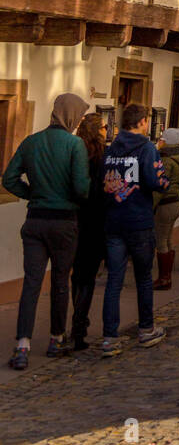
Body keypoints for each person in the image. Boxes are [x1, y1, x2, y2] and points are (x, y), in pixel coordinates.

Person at [4, 93, 90, 369]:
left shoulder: (32, 141)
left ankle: (22, 345)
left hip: (35, 220)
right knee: (60, 282)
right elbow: (80, 188)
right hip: (64, 221)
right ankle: (55, 338)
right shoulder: (75, 144)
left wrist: (32, 194)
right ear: (72, 115)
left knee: (31, 283)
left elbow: (8, 178)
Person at [101, 103, 168, 357]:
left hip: (114, 220)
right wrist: (164, 181)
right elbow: (156, 181)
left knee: (114, 281)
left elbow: (103, 182)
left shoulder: (111, 149)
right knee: (142, 278)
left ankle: (109, 337)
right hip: (139, 220)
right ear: (141, 122)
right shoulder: (147, 148)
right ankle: (146, 329)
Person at [70, 112, 108, 350]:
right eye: (104, 126)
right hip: (96, 220)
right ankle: (79, 325)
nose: (106, 129)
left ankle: (77, 321)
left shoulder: (76, 152)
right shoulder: (103, 156)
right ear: (98, 130)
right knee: (88, 276)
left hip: (75, 217)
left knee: (77, 274)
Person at [153, 128, 179, 290]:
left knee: (161, 241)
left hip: (165, 203)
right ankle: (167, 275)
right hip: (176, 202)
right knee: (169, 238)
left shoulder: (166, 159)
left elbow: (160, 185)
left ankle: (164, 278)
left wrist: (151, 205)